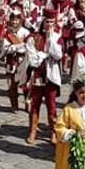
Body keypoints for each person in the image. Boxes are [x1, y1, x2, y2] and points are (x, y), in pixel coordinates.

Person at [25, 9, 63, 144]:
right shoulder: (33, 38)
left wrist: (51, 39)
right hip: (37, 75)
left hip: (51, 76)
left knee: (51, 105)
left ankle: (53, 131)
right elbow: (33, 60)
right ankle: (32, 130)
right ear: (43, 22)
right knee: (35, 104)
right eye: (47, 22)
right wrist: (45, 55)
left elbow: (58, 55)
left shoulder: (57, 37)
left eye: (52, 22)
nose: (50, 25)